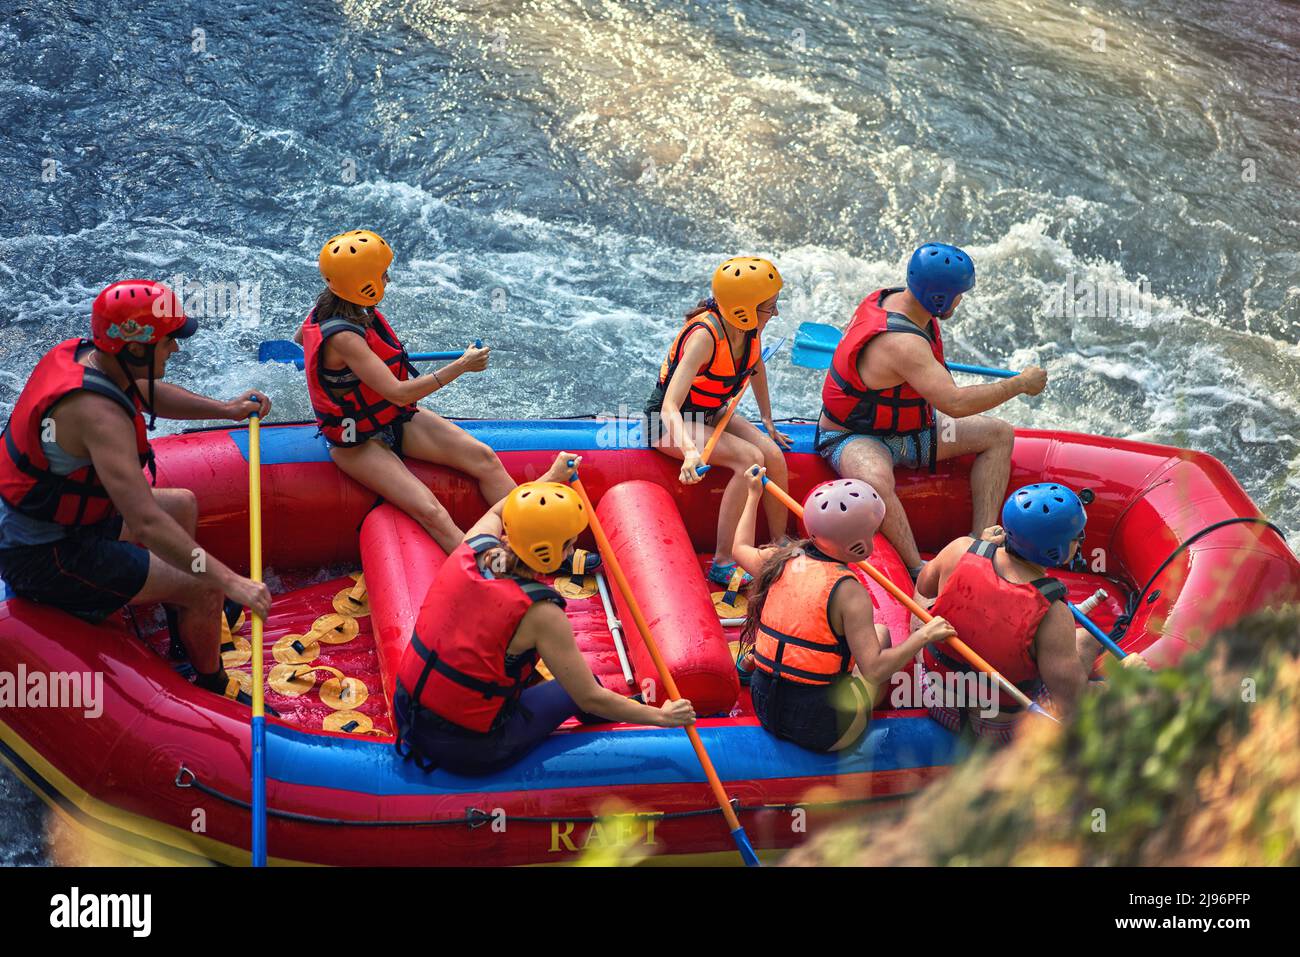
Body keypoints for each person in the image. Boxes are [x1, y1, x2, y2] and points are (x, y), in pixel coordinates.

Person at [0, 280, 272, 705]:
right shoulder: (96, 417)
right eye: (168, 343)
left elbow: (145, 393)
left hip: (66, 524)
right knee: (205, 586)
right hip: (47, 554)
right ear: (138, 349)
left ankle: (187, 632)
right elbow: (144, 518)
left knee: (183, 504)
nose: (175, 351)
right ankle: (212, 684)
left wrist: (225, 410)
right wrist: (230, 581)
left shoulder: (95, 359)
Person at [393, 452, 695, 775]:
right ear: (549, 553)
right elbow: (590, 697)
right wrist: (662, 718)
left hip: (407, 711)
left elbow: (501, 509)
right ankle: (621, 727)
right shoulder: (541, 613)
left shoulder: (473, 545)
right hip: (468, 746)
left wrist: (551, 477)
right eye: (568, 546)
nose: (571, 551)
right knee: (583, 685)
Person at [816, 242, 1048, 580]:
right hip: (852, 435)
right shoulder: (903, 343)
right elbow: (953, 404)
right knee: (876, 481)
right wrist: (1019, 384)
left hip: (910, 430)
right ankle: (917, 570)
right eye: (958, 295)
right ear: (938, 298)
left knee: (998, 434)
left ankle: (980, 544)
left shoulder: (897, 300)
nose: (961, 301)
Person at [298, 229, 518, 554]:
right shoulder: (344, 338)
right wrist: (461, 366)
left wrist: (348, 373)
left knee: (484, 458)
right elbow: (398, 393)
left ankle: (534, 533)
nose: (387, 279)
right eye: (382, 274)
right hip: (357, 441)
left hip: (393, 419)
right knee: (431, 511)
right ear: (364, 285)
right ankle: (486, 574)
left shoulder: (342, 304)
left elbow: (302, 340)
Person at [731, 467, 956, 752]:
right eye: (874, 533)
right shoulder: (850, 593)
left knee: (873, 634)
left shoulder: (779, 560)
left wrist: (753, 494)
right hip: (820, 729)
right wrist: (924, 636)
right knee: (882, 638)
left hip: (764, 703)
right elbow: (874, 670)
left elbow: (739, 548)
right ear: (859, 548)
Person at [915, 483, 1097, 744]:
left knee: (927, 599)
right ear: (1056, 551)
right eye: (1077, 537)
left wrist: (978, 548)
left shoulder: (960, 549)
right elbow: (1070, 701)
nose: (1079, 542)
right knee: (1087, 641)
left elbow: (924, 586)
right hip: (997, 728)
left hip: (933, 699)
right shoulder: (1053, 612)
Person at [646, 257, 791, 586]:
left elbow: (756, 367)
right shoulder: (705, 337)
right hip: (669, 422)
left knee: (773, 455)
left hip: (712, 412)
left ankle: (779, 542)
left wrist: (767, 418)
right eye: (770, 307)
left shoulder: (747, 330)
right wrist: (690, 452)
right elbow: (670, 405)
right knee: (749, 459)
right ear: (744, 310)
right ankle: (724, 561)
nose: (776, 313)